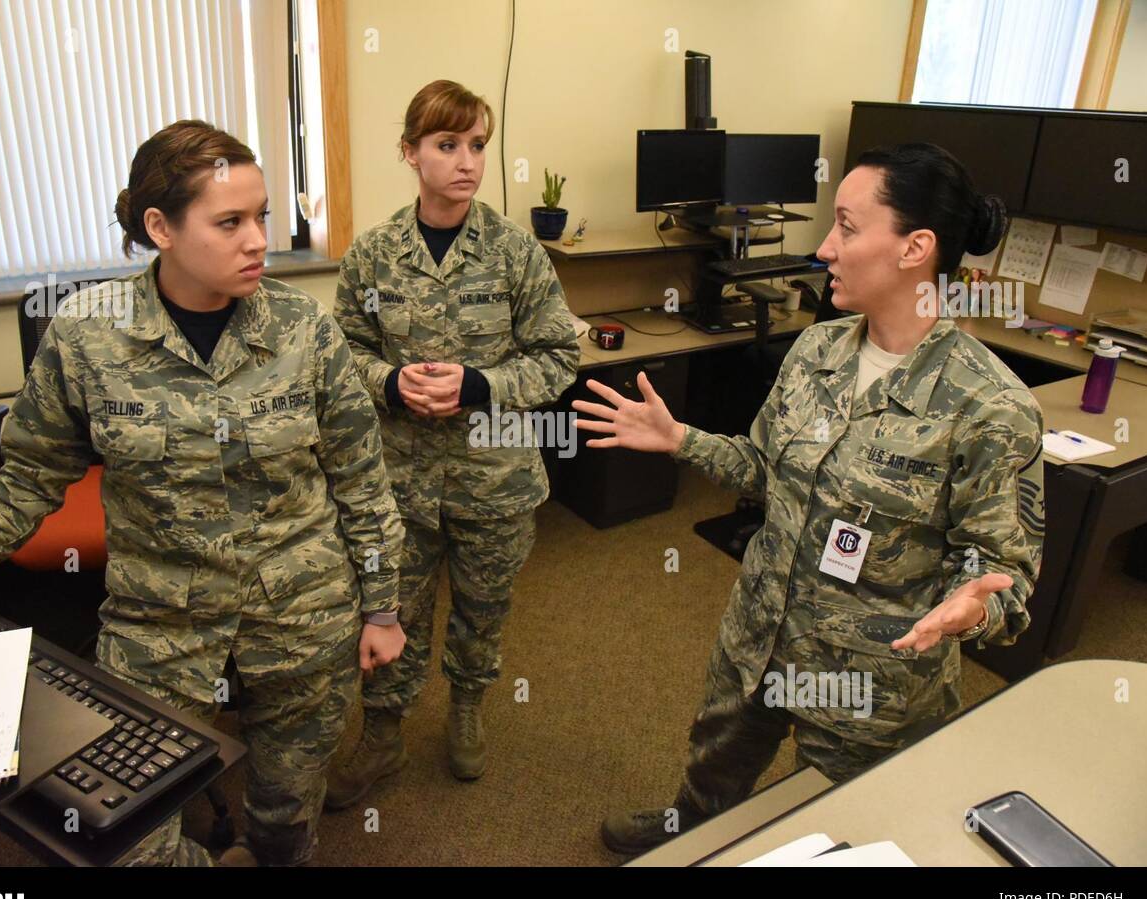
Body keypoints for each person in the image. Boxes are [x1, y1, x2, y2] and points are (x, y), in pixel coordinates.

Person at [0, 120, 407, 867]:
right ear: (160, 227)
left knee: (285, 816)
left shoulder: (304, 329)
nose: (258, 239)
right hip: (159, 622)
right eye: (229, 222)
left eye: (262, 215)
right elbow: (30, 478)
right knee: (126, 841)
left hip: (303, 614)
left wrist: (382, 608)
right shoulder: (87, 336)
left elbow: (362, 480)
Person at [575, 143, 1045, 854]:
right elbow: (764, 471)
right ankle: (688, 832)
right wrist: (682, 440)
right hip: (759, 635)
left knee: (831, 828)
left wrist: (971, 607)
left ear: (916, 248)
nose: (825, 248)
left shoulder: (989, 407)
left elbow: (1004, 583)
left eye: (848, 229)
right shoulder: (816, 350)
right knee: (714, 762)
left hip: (868, 685)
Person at [328, 80, 580, 804]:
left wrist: (479, 385)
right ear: (410, 153)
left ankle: (467, 708)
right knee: (392, 612)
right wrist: (388, 382)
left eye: (477, 146)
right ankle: (383, 736)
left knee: (482, 610)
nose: (466, 161)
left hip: (492, 477)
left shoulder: (514, 252)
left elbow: (560, 357)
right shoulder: (374, 255)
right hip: (399, 482)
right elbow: (341, 351)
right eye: (447, 145)